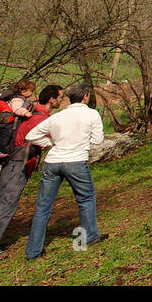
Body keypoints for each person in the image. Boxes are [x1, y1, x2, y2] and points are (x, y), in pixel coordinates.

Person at [0, 83, 63, 265]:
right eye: (60, 97)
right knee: (5, 206)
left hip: (12, 163)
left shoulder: (31, 111)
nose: (61, 100)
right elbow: (32, 140)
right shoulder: (39, 118)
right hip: (17, 165)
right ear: (52, 99)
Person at [24, 82, 107, 260]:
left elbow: (30, 136)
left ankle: (33, 251)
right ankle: (90, 236)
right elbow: (98, 140)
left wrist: (50, 143)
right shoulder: (92, 114)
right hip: (76, 161)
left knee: (43, 207)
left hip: (52, 162)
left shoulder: (58, 117)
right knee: (85, 198)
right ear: (85, 97)